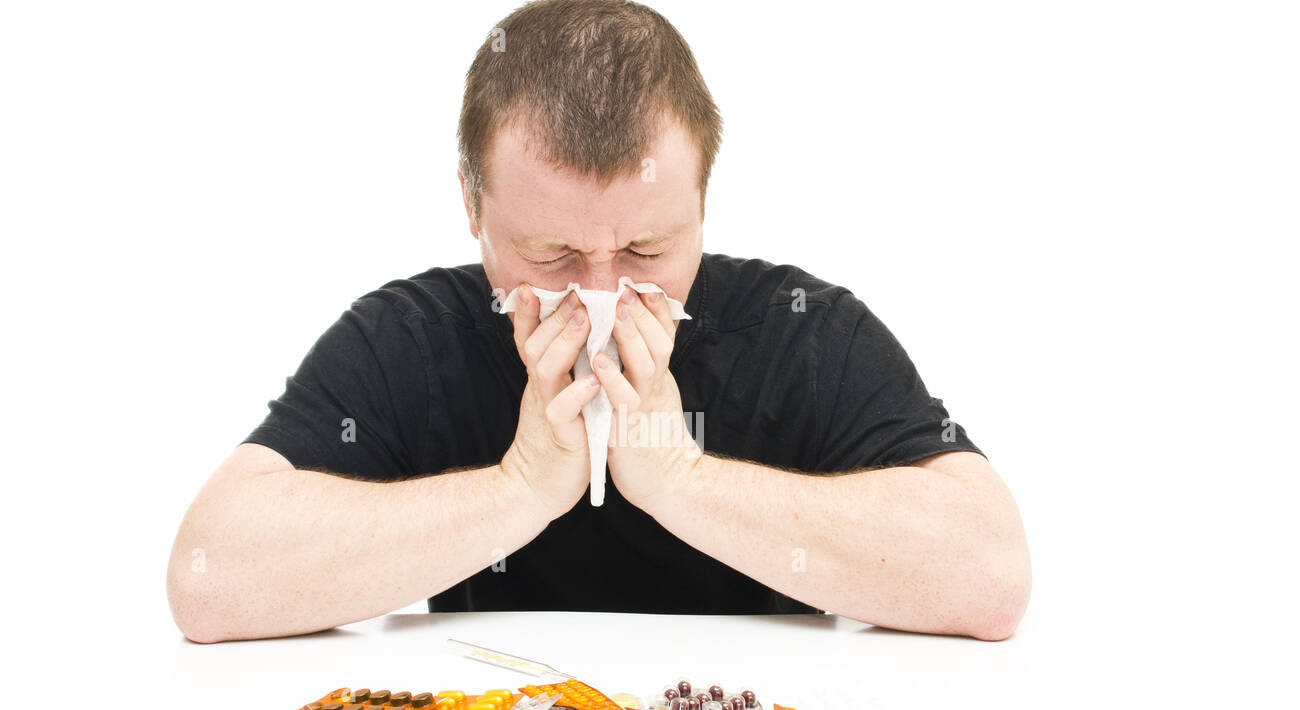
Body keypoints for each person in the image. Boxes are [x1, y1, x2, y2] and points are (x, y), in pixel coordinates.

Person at [166, 0, 1030, 643]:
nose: (601, 294)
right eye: (551, 255)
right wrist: (520, 487)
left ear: (702, 204)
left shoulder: (803, 330)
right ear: (471, 205)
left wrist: (681, 478)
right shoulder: (411, 339)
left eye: (648, 249)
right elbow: (210, 581)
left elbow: (990, 576)